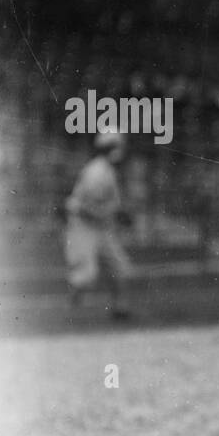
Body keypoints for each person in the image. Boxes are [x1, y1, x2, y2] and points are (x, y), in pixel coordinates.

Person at [64, 131, 133, 319]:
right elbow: (85, 207)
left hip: (100, 225)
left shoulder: (107, 170)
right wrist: (112, 214)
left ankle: (120, 308)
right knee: (86, 275)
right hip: (84, 225)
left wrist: (115, 214)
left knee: (120, 267)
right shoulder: (96, 172)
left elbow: (108, 204)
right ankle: (71, 307)